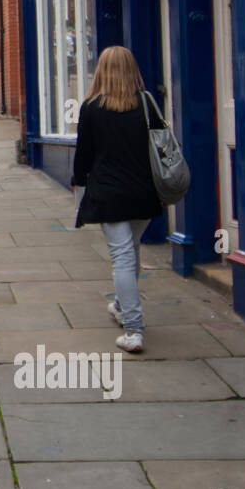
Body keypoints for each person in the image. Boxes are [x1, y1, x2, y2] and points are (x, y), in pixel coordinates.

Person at [71, 45, 165, 354]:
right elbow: (161, 146)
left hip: (109, 195)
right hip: (143, 193)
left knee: (123, 257)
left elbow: (83, 155)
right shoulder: (146, 104)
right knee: (130, 251)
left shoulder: (91, 107)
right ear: (131, 69)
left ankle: (134, 330)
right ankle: (122, 307)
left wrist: (79, 184)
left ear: (101, 71)